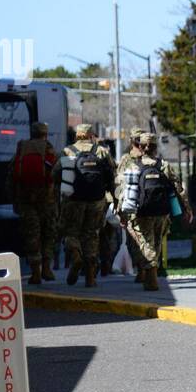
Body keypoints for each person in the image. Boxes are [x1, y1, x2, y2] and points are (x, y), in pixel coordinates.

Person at [117, 131, 191, 291]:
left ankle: (151, 276)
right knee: (157, 242)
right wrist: (187, 208)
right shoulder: (164, 166)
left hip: (142, 212)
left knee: (146, 243)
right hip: (162, 212)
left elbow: (124, 192)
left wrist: (121, 213)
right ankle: (152, 272)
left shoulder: (133, 166)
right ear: (155, 148)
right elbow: (179, 189)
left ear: (142, 148)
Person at [54, 123, 116, 287]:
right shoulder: (101, 151)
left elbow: (55, 174)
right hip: (96, 200)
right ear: (91, 135)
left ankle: (75, 256)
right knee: (91, 235)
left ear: (77, 136)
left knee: (70, 232)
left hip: (73, 200)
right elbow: (112, 175)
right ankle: (90, 277)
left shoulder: (67, 151)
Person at [7, 121, 58, 285]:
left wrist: (13, 198)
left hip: (25, 200)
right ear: (45, 134)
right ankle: (47, 268)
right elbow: (56, 175)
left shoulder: (22, 149)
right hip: (47, 200)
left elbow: (11, 176)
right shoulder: (49, 149)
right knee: (48, 233)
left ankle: (36, 272)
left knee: (32, 235)